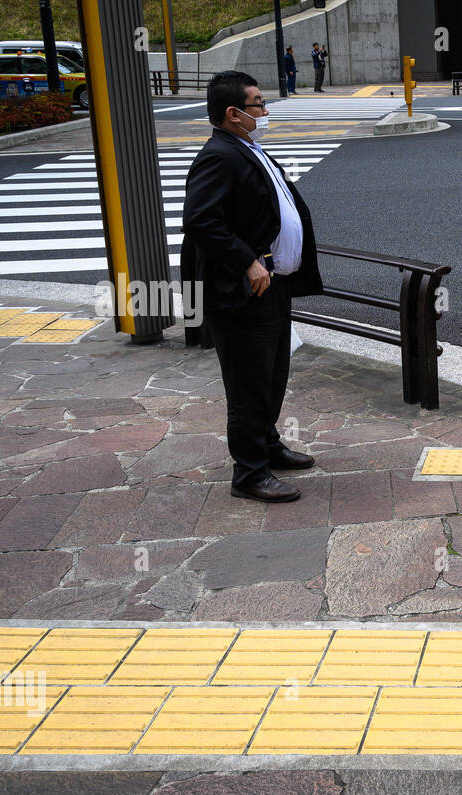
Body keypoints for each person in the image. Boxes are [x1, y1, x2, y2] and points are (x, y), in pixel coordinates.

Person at [181, 71, 324, 503]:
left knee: (272, 372)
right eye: (259, 104)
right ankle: (249, 472)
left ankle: (267, 445)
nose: (265, 111)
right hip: (242, 290)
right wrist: (246, 261)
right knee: (248, 380)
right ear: (234, 113)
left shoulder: (247, 147)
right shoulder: (219, 156)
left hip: (271, 283)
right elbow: (201, 220)